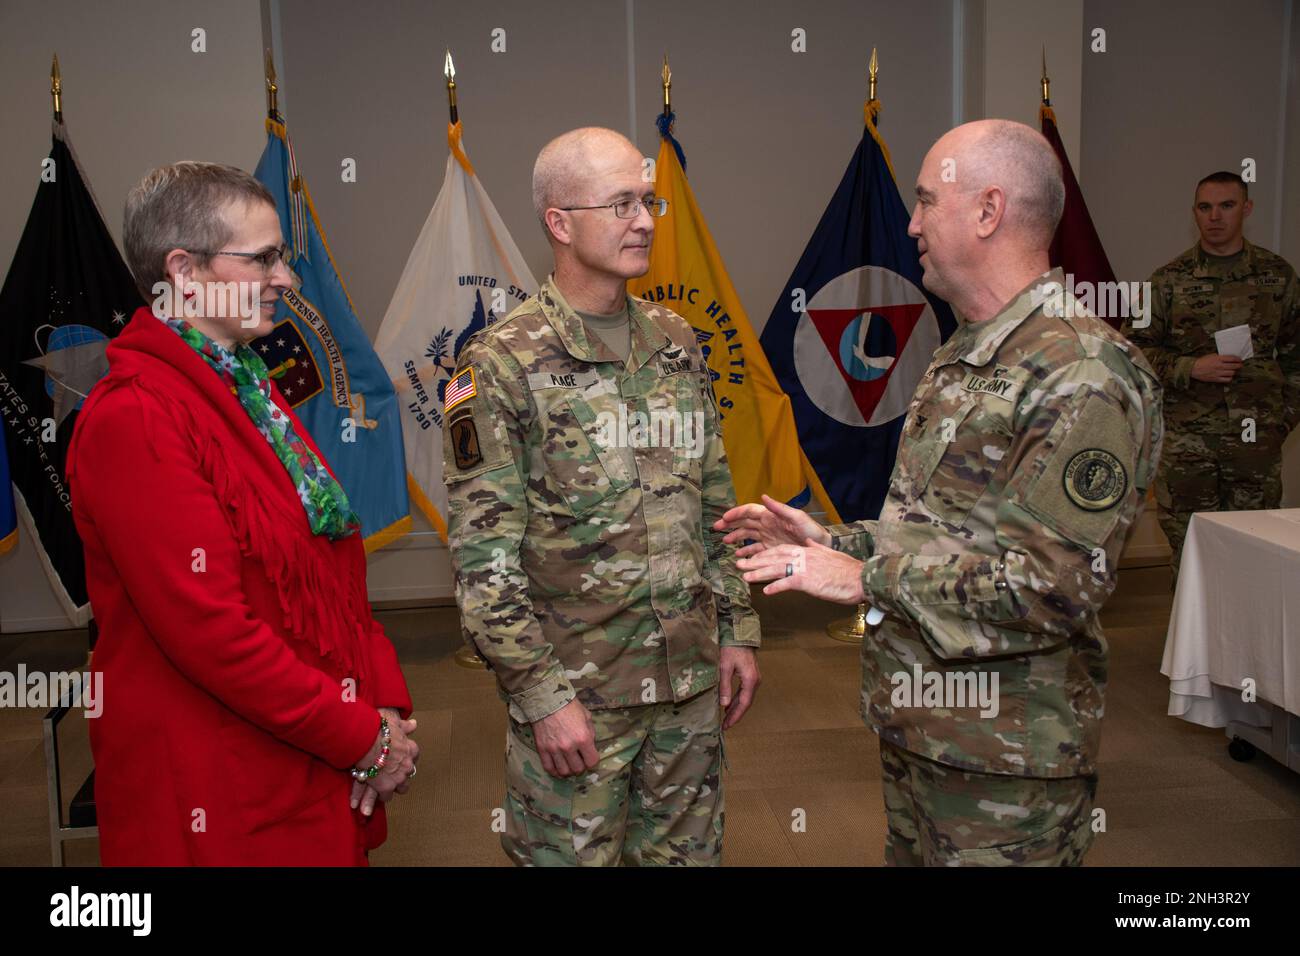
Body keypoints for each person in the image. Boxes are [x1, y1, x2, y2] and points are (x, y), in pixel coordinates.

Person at [718, 120, 1163, 866]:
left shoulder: (1083, 373)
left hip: (1005, 760)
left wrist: (863, 577)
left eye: (927, 201)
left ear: (988, 212)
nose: (911, 222)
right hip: (924, 724)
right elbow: (943, 530)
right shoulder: (964, 349)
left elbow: (1050, 587)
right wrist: (835, 541)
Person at [67, 162, 418, 865]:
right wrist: (361, 737)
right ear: (184, 271)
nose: (285, 278)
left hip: (301, 746)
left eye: (279, 256)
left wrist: (379, 698)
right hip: (220, 780)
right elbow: (213, 636)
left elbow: (330, 567)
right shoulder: (135, 417)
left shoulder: (244, 388)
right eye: (263, 258)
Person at [443, 127, 760, 866]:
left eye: (648, 201)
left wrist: (737, 624)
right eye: (621, 203)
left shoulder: (676, 341)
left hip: (688, 693)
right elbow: (483, 562)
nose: (645, 220)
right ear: (560, 222)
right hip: (580, 700)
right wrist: (541, 696)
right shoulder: (498, 364)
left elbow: (715, 499)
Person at [1125, 171, 1300, 582]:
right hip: (1189, 448)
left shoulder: (1278, 277)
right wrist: (1190, 367)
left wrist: (1280, 421)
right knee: (1191, 562)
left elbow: (1296, 359)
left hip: (1254, 445)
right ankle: (1194, 647)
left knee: (1256, 559)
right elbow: (1132, 353)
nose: (1215, 217)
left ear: (1247, 209)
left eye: (1226, 205)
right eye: (1205, 207)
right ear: (1194, 213)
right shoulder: (1167, 280)